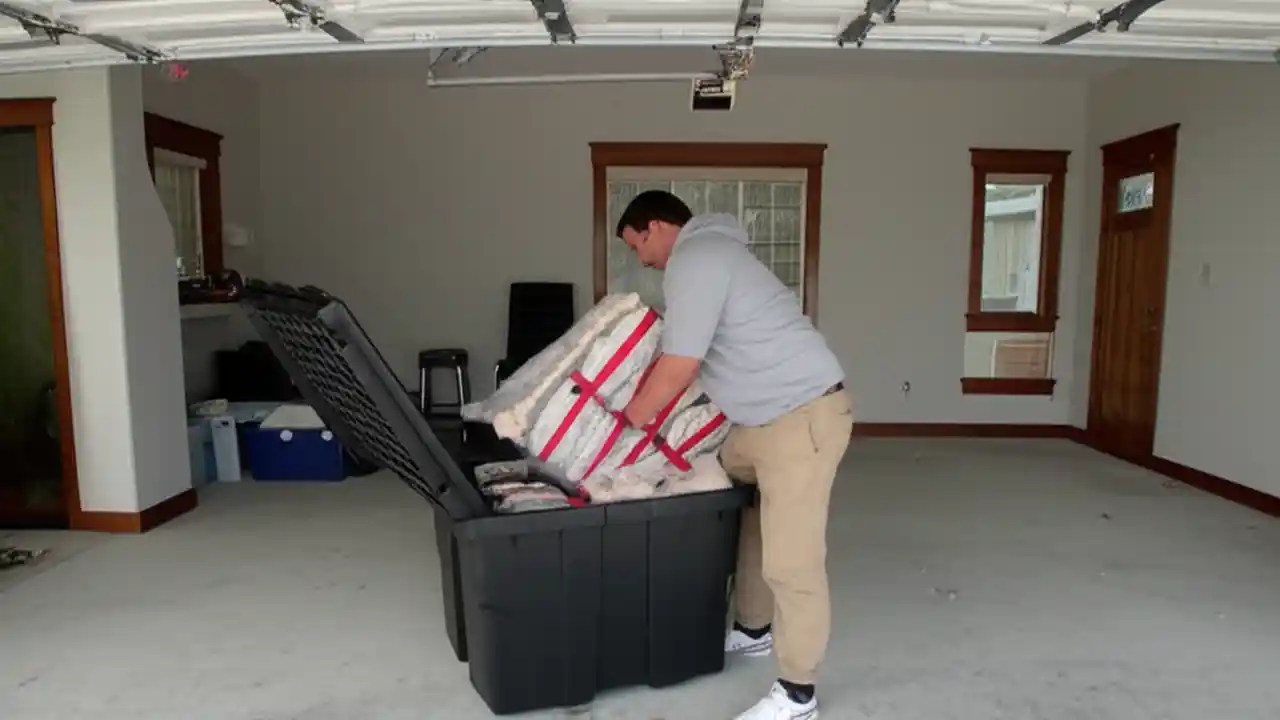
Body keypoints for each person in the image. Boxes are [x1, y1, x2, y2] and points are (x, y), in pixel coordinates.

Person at [616, 190, 853, 720]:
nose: (643, 260)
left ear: (655, 227)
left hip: (801, 417)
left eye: (639, 246)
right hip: (759, 424)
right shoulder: (714, 257)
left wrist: (629, 422)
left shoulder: (697, 259)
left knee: (793, 561)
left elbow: (679, 366)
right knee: (732, 488)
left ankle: (797, 695)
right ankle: (753, 628)